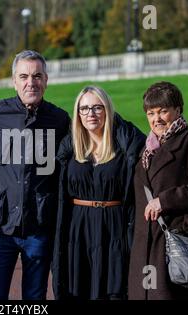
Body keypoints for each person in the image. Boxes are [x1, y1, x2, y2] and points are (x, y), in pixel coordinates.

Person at [0, 50, 71, 300]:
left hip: (39, 226)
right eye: (24, 76)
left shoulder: (59, 119)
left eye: (37, 76)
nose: (31, 82)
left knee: (35, 297)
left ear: (46, 80)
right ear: (14, 81)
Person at [128, 81, 188, 300]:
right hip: (146, 248)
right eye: (151, 113)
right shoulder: (146, 149)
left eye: (163, 111)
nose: (156, 119)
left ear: (178, 110)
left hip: (177, 246)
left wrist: (164, 201)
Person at [52, 86, 145, 300]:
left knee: (113, 288)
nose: (90, 114)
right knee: (78, 288)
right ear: (77, 114)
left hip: (114, 227)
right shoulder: (70, 147)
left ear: (107, 110)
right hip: (78, 228)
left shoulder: (124, 144)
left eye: (97, 107)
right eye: (84, 109)